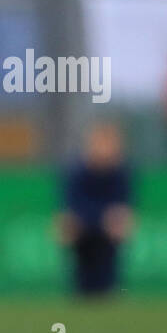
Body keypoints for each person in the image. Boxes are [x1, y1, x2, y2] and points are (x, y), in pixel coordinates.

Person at [57, 123, 135, 297]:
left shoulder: (121, 172)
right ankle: (82, 287)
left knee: (117, 225)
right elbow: (71, 206)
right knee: (71, 227)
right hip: (84, 224)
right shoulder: (77, 171)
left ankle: (108, 287)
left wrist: (114, 219)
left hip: (106, 226)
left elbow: (124, 205)